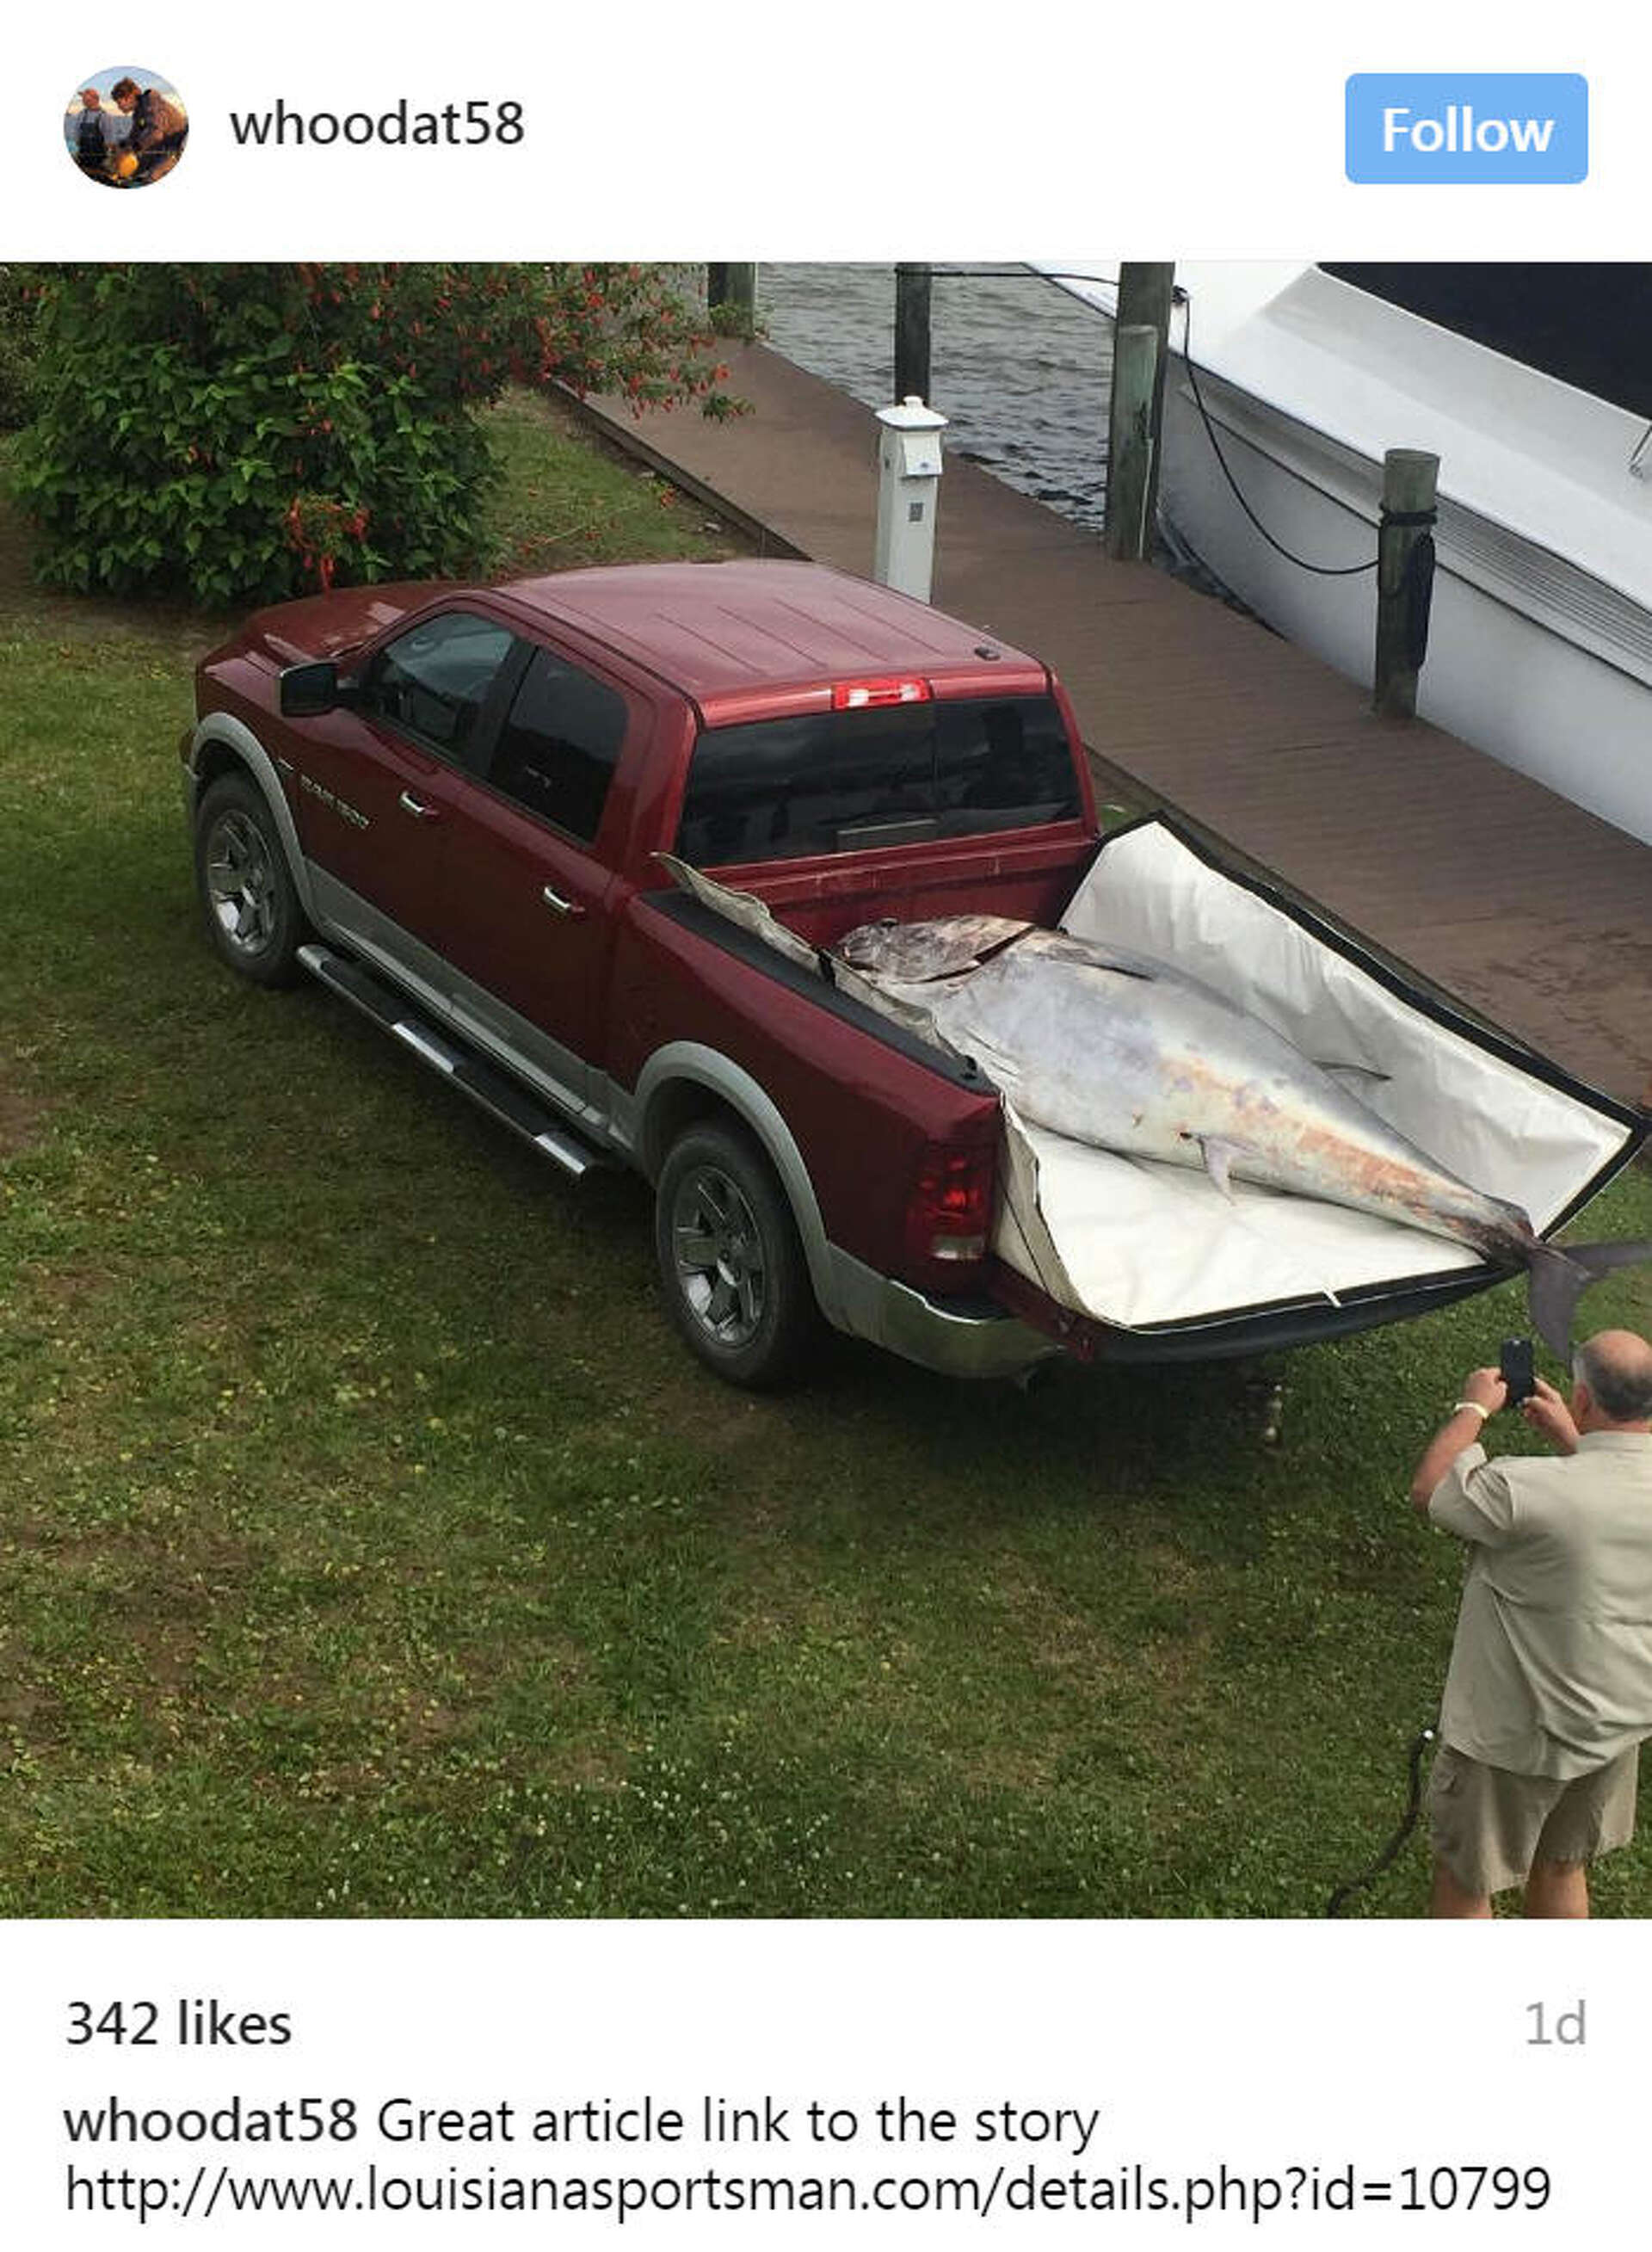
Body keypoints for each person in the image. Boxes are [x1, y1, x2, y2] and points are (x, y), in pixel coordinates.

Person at [1408, 1329, 1652, 1917]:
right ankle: (1556, 2007)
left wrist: (1473, 1407)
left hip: (1512, 1736)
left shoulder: (1527, 1490)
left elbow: (1432, 1489)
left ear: (1585, 1399)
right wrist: (1577, 1441)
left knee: (1468, 1879)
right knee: (1563, 1864)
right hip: (1614, 1728)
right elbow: (1607, 1498)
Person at [108, 76, 188, 183]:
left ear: (129, 97)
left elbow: (156, 134)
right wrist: (120, 146)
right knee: (132, 174)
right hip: (161, 148)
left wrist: (132, 149)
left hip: (177, 148)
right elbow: (134, 137)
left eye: (119, 103)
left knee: (150, 179)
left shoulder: (152, 101)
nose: (119, 107)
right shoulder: (138, 113)